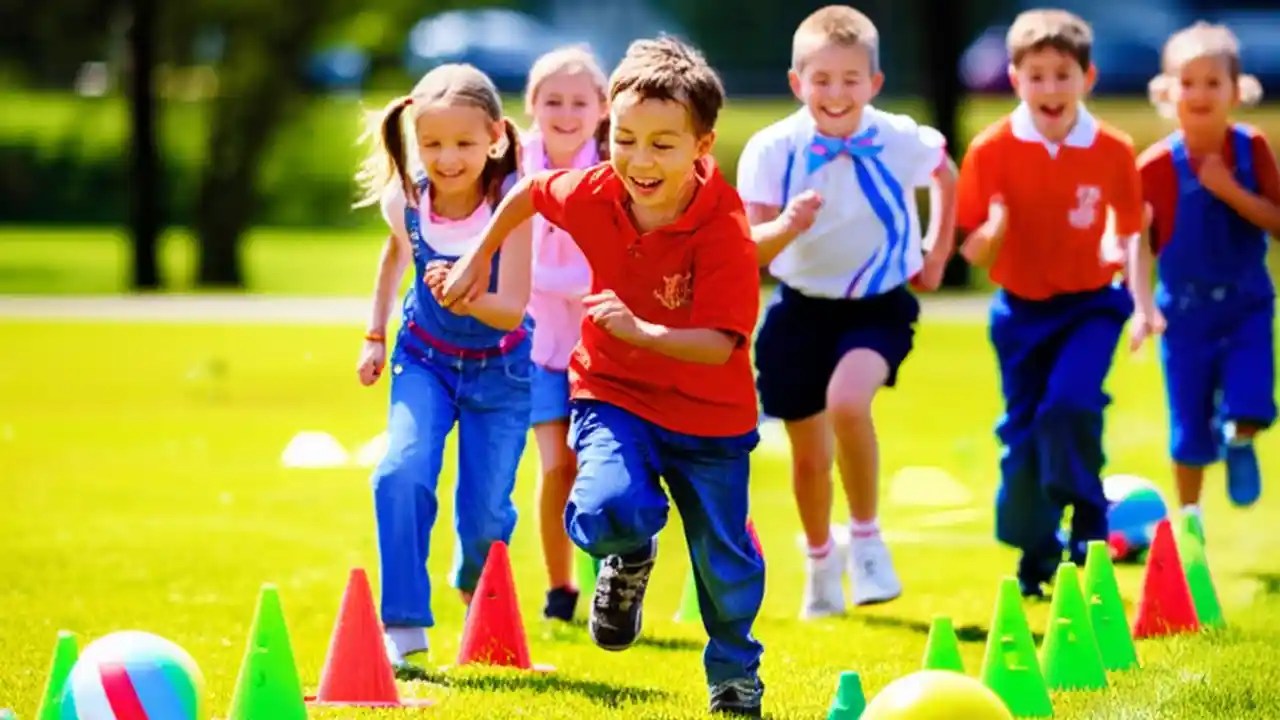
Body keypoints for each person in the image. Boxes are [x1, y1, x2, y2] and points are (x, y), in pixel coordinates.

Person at [438, 36, 768, 718]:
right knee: (605, 507)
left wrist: (642, 330)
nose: (639, 161)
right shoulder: (594, 191)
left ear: (703, 146)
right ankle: (626, 554)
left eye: (662, 144)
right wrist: (477, 254)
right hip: (614, 392)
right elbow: (528, 193)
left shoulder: (725, 228)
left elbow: (720, 345)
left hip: (711, 416)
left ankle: (734, 673)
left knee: (724, 559)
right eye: (624, 139)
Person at [736, 4, 957, 618]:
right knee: (808, 458)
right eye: (822, 80)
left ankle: (866, 540)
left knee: (848, 402)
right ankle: (820, 562)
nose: (836, 94)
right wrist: (791, 222)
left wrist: (937, 253)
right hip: (800, 309)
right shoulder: (771, 148)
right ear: (796, 83)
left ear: (874, 84)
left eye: (850, 80)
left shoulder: (897, 136)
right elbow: (753, 247)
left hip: (878, 304)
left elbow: (946, 173)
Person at [955, 8, 1144, 598]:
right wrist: (995, 231)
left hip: (1091, 304)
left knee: (1069, 404)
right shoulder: (990, 151)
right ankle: (1037, 552)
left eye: (1063, 74)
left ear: (1086, 78)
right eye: (1036, 76)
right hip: (1020, 314)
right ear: (1015, 80)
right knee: (1024, 438)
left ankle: (1090, 517)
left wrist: (1142, 302)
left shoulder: (1113, 149)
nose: (1050, 89)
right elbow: (974, 249)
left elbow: (1132, 231)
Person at [352, 63, 533, 676]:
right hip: (423, 361)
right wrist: (375, 336)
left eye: (462, 143)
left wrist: (463, 292)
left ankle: (471, 568)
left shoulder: (514, 206)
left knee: (484, 515)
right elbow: (393, 258)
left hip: (500, 375)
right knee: (398, 475)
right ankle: (403, 626)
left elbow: (510, 310)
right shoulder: (405, 200)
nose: (447, 158)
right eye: (432, 144)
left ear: (496, 138)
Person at [1131, 21, 1279, 534]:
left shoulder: (1250, 150)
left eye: (1213, 83)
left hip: (1246, 305)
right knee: (1189, 427)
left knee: (1251, 398)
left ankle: (1240, 439)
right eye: (1187, 82)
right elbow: (1140, 246)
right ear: (1167, 92)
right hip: (1184, 314)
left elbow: (1276, 222)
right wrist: (1143, 307)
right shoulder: (1153, 168)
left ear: (1237, 93)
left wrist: (1228, 189)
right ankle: (1189, 519)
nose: (1199, 94)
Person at [520, 45, 611, 623]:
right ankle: (561, 586)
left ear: (602, 109)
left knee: (599, 468)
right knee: (556, 466)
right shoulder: (513, 166)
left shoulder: (611, 169)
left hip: (600, 350)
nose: (566, 112)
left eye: (580, 101)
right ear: (532, 106)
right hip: (534, 348)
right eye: (553, 100)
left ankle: (612, 582)